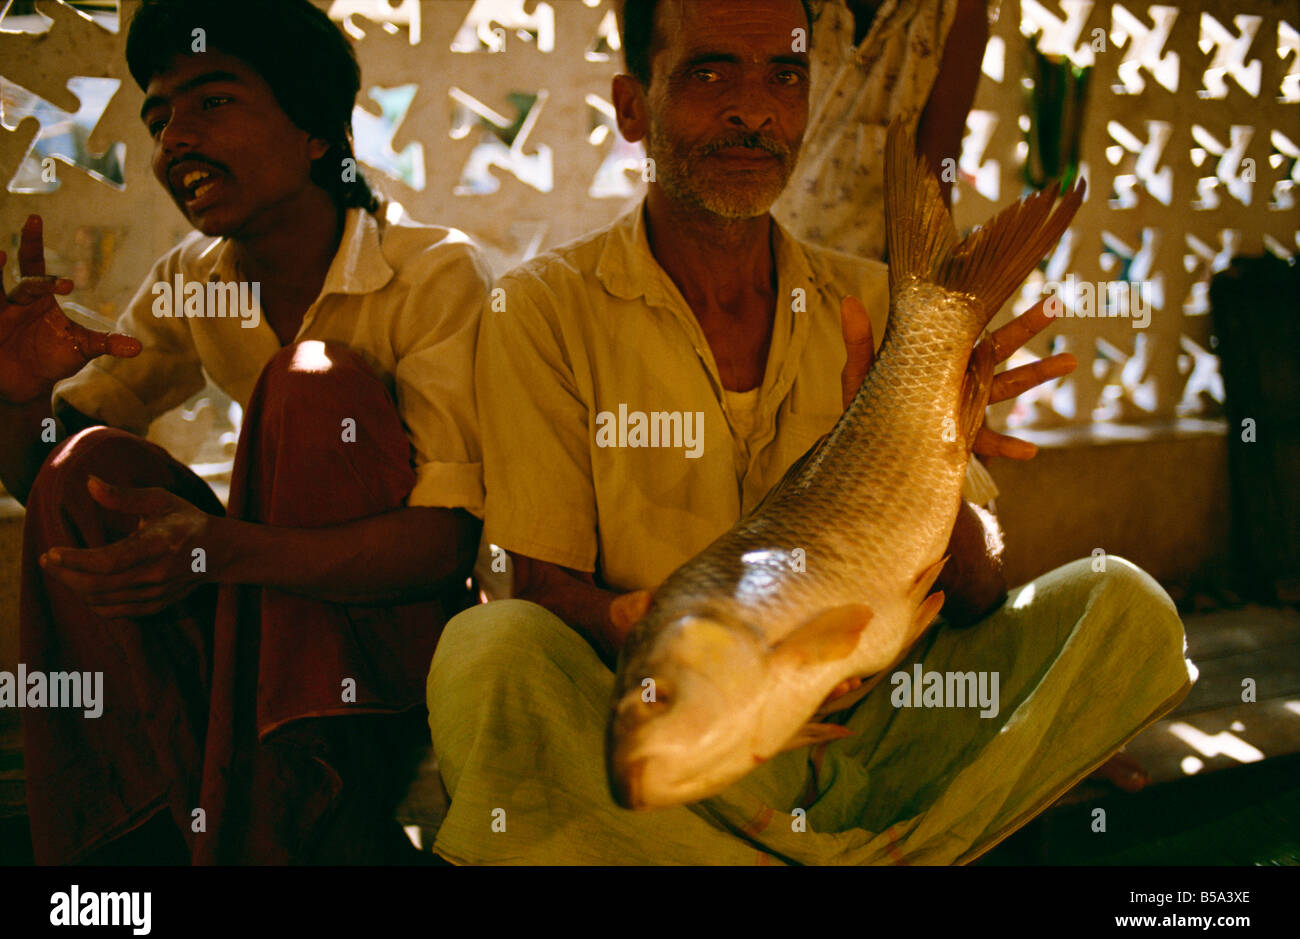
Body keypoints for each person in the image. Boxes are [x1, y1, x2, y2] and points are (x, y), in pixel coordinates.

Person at [419, 0, 1195, 865]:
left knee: (1123, 607)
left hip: (884, 729)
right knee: (487, 650)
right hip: (698, 740)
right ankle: (905, 845)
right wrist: (658, 639)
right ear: (633, 106)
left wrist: (930, 451)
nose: (753, 109)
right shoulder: (543, 308)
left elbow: (975, 593)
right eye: (710, 73)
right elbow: (534, 583)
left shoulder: (882, 302)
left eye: (784, 77)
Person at [0, 0, 488, 864]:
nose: (173, 140)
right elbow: (46, 479)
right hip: (263, 630)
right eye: (159, 118)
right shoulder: (193, 279)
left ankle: (304, 811)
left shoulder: (430, 272)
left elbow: (447, 543)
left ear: (314, 132)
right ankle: (131, 849)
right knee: (85, 469)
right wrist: (15, 397)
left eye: (212, 102)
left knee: (312, 384)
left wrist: (221, 551)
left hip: (399, 644)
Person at [773, 0, 989, 259]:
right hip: (758, 257)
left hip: (860, 275)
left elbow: (936, 171)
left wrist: (921, 282)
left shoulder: (954, 11)